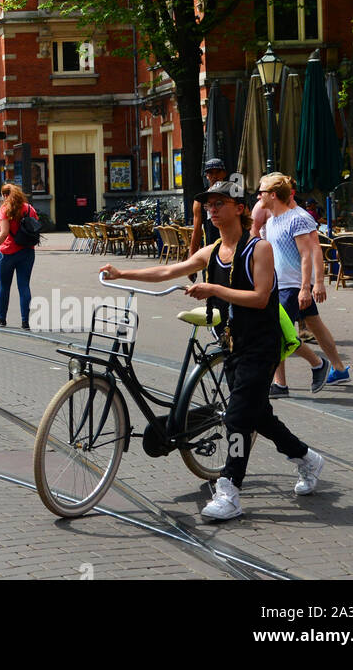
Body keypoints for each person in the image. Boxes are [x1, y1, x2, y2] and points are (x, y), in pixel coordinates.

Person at [102, 180, 325, 521]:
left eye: (219, 203)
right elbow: (168, 270)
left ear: (239, 208)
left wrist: (214, 288)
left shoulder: (259, 248)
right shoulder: (212, 250)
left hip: (261, 346)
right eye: (209, 205)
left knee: (236, 417)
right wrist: (122, 273)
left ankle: (230, 489)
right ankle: (306, 458)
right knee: (257, 414)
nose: (212, 209)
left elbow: (262, 297)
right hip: (232, 343)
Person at [258, 173, 348, 393]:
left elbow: (310, 253)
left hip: (292, 286)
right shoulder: (270, 222)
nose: (258, 194)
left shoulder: (297, 218)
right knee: (314, 324)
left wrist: (312, 285)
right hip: (281, 285)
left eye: (262, 190)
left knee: (277, 332)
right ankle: (339, 368)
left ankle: (283, 382)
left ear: (273, 194)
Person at [0, 183, 39, 329]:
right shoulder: (29, 208)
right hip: (27, 251)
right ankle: (25, 321)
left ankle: (2, 317)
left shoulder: (5, 209)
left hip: (8, 252)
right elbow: (35, 225)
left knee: (4, 286)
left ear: (5, 195)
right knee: (24, 286)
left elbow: (4, 233)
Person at [188, 159, 230, 255]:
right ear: (206, 176)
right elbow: (197, 231)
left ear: (224, 173)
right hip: (211, 251)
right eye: (210, 173)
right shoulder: (200, 201)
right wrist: (192, 257)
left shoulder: (233, 196)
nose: (215, 176)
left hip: (233, 250)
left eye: (218, 172)